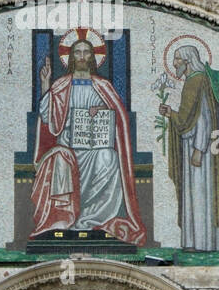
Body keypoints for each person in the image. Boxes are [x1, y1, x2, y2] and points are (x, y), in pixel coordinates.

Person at [30, 39, 145, 245]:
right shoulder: (61, 85)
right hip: (68, 145)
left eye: (86, 52)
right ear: (71, 57)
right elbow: (47, 118)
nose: (82, 57)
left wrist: (101, 111)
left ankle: (93, 219)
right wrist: (46, 85)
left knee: (108, 157)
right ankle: (65, 219)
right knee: (60, 160)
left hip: (95, 146)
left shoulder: (103, 86)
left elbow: (117, 116)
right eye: (77, 52)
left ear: (93, 57)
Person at [159, 44, 219, 251]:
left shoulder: (197, 81)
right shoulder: (194, 80)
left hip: (199, 149)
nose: (174, 64)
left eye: (177, 60)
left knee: (200, 194)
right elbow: (187, 117)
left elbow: (204, 118)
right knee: (194, 194)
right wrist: (171, 113)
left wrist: (199, 149)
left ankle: (203, 243)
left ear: (188, 61)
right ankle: (194, 242)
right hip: (193, 145)